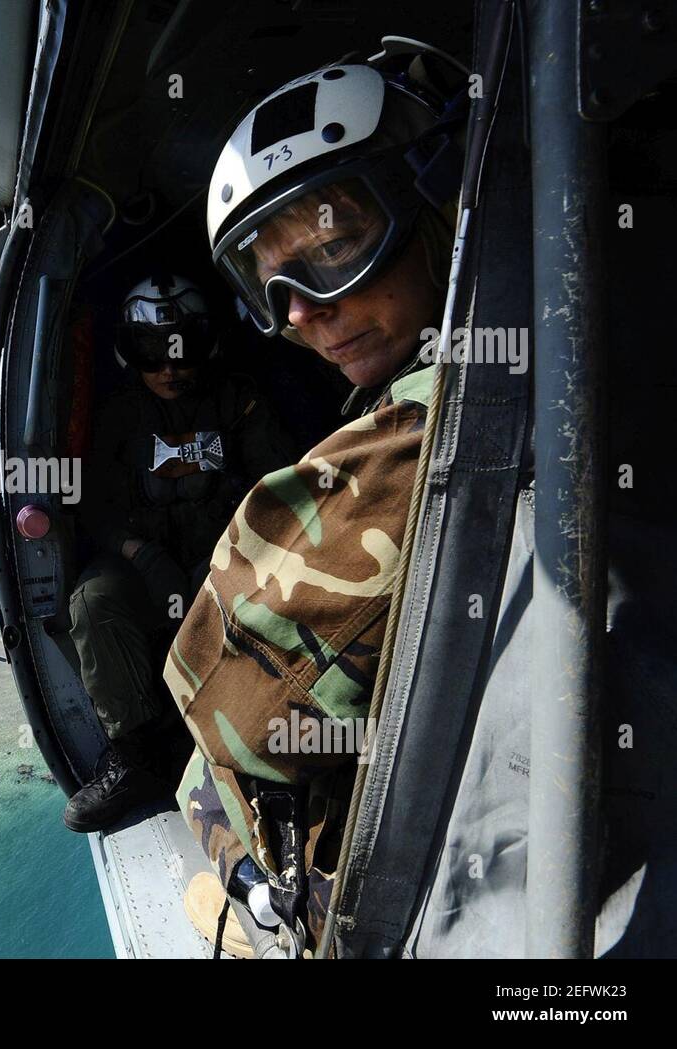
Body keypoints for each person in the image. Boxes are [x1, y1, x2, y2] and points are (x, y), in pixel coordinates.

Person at [162, 45, 465, 946]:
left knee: (198, 790)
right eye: (272, 279)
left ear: (438, 208)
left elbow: (226, 706)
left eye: (333, 247)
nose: (298, 310)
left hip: (386, 894)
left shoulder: (426, 427)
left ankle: (252, 903)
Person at [64, 274, 297, 832]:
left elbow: (281, 487)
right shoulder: (119, 416)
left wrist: (228, 552)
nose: (169, 368)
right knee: (93, 603)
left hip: (228, 557)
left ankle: (247, 743)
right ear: (130, 353)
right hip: (143, 564)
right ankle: (136, 753)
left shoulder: (238, 401)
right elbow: (91, 505)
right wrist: (140, 554)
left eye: (183, 350)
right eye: (152, 353)